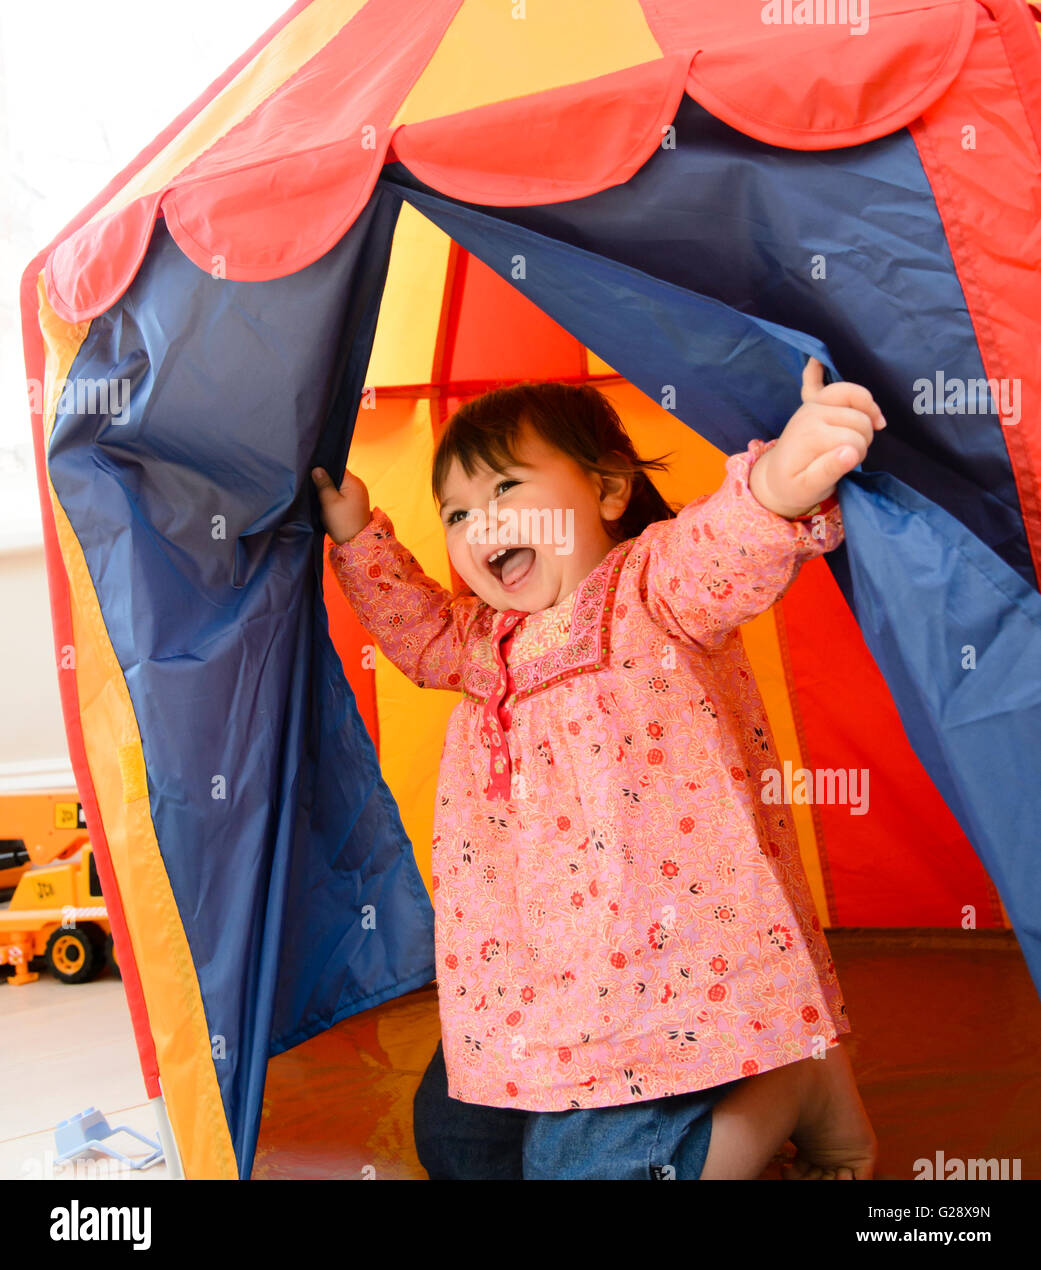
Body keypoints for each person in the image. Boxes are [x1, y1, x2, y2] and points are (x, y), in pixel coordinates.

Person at [311, 357, 881, 1181]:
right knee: (459, 1149)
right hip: (529, 976)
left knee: (592, 1172)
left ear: (608, 493)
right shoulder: (479, 642)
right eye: (457, 512)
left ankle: (797, 1085)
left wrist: (784, 478)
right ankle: (772, 1083)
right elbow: (415, 632)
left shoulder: (649, 590)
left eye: (505, 490)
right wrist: (357, 534)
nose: (479, 526)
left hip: (661, 964)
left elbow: (723, 543)